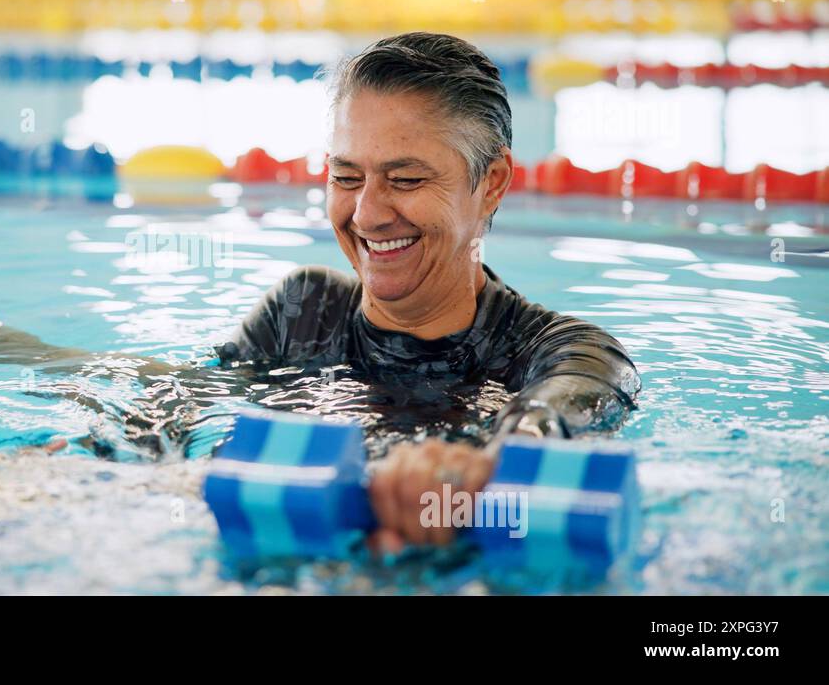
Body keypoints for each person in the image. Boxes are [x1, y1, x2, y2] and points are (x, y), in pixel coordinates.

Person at [217, 32, 641, 554]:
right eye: (346, 177)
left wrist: (477, 467)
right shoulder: (302, 311)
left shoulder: (565, 353)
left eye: (406, 180)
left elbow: (553, 421)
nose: (367, 215)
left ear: (492, 182)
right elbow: (183, 420)